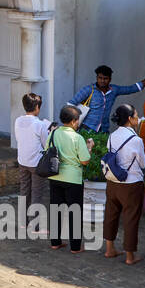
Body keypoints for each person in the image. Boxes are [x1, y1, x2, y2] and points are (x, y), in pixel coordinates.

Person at [103, 104, 145, 265]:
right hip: (131, 183)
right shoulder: (136, 139)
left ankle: (109, 249)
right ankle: (130, 256)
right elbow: (142, 163)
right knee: (130, 218)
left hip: (112, 181)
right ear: (130, 118)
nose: (138, 118)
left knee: (111, 214)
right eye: (136, 115)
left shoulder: (112, 135)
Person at [46, 104, 93, 253]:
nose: (78, 123)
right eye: (78, 120)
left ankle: (55, 242)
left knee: (56, 211)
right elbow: (85, 160)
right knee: (74, 213)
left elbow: (48, 150)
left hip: (55, 175)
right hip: (73, 179)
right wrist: (89, 148)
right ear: (73, 121)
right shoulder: (77, 137)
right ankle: (75, 247)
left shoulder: (53, 134)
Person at [69, 63, 145, 135]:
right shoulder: (88, 90)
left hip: (104, 130)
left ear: (110, 79)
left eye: (105, 78)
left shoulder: (114, 90)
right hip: (87, 129)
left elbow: (132, 88)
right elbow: (70, 104)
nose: (102, 81)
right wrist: (72, 125)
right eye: (100, 78)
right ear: (97, 78)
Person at [13, 93, 50, 221]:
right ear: (37, 107)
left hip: (22, 160)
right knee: (36, 194)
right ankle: (34, 224)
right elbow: (46, 145)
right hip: (36, 163)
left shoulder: (18, 120)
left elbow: (19, 138)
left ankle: (23, 221)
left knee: (24, 191)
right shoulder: (40, 124)